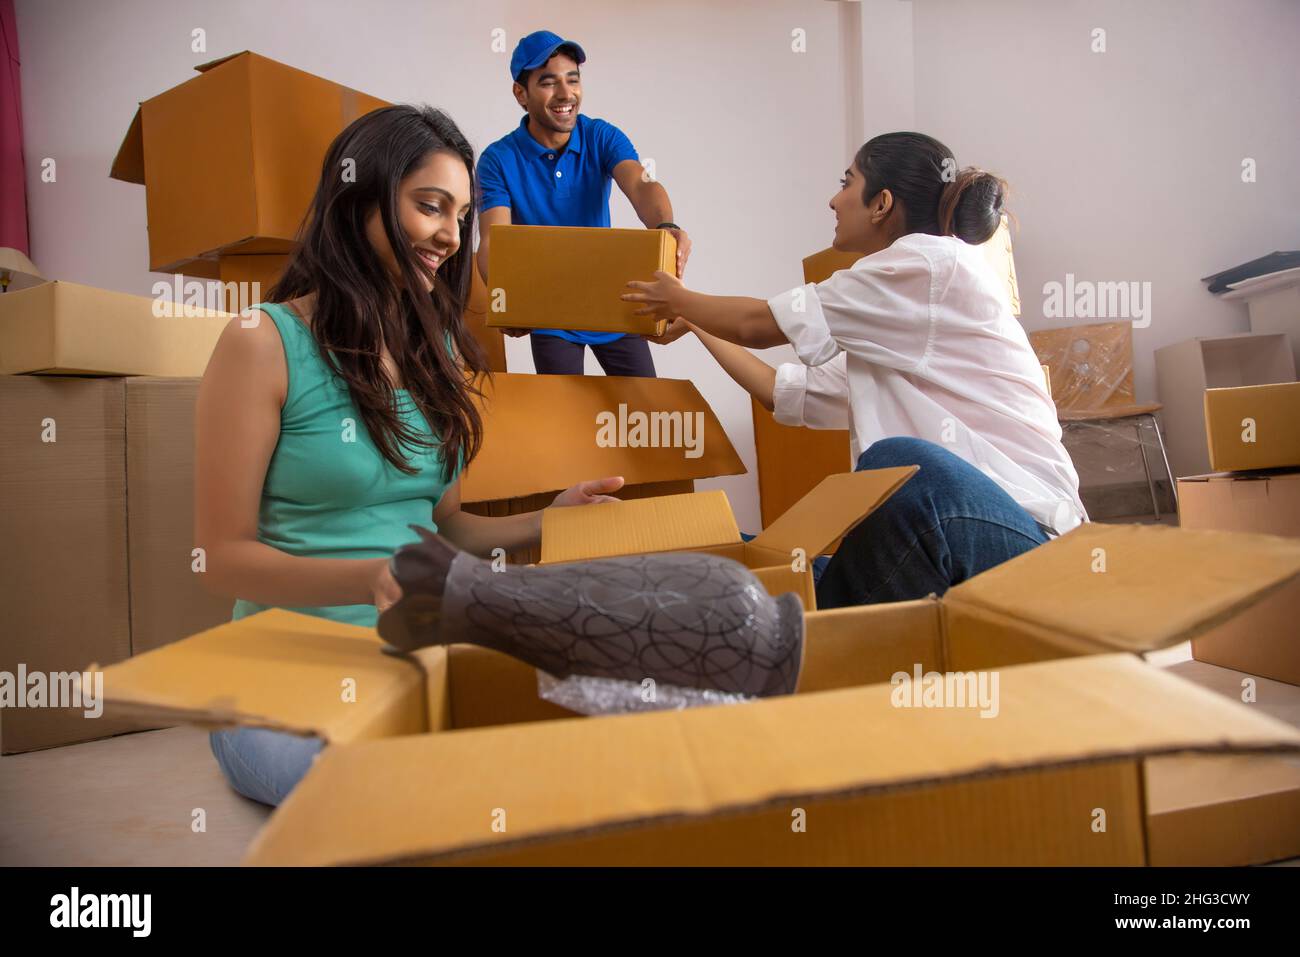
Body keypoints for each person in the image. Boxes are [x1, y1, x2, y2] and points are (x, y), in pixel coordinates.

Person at [195, 105, 622, 806]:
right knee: (403, 796)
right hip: (282, 682)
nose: (451, 236)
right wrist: (378, 576)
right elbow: (220, 557)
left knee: (590, 740)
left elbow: (445, 525)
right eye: (430, 207)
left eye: (461, 215)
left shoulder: (440, 352)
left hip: (417, 658)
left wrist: (549, 519)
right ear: (359, 196)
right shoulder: (261, 342)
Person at [625, 132, 1087, 609]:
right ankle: (824, 624)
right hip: (953, 540)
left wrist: (676, 297)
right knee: (742, 561)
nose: (833, 199)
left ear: (881, 203)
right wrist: (698, 325)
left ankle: (828, 629)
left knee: (903, 467)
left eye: (847, 182)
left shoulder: (929, 264)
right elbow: (783, 393)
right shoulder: (892, 328)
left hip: (1028, 541)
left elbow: (758, 324)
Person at [476, 29, 692, 377]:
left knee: (647, 411)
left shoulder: (601, 135)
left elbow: (640, 183)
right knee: (563, 415)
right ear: (521, 93)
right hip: (549, 309)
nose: (566, 94)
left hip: (612, 298)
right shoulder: (497, 159)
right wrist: (507, 299)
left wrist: (666, 226)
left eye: (572, 80)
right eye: (548, 82)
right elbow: (492, 241)